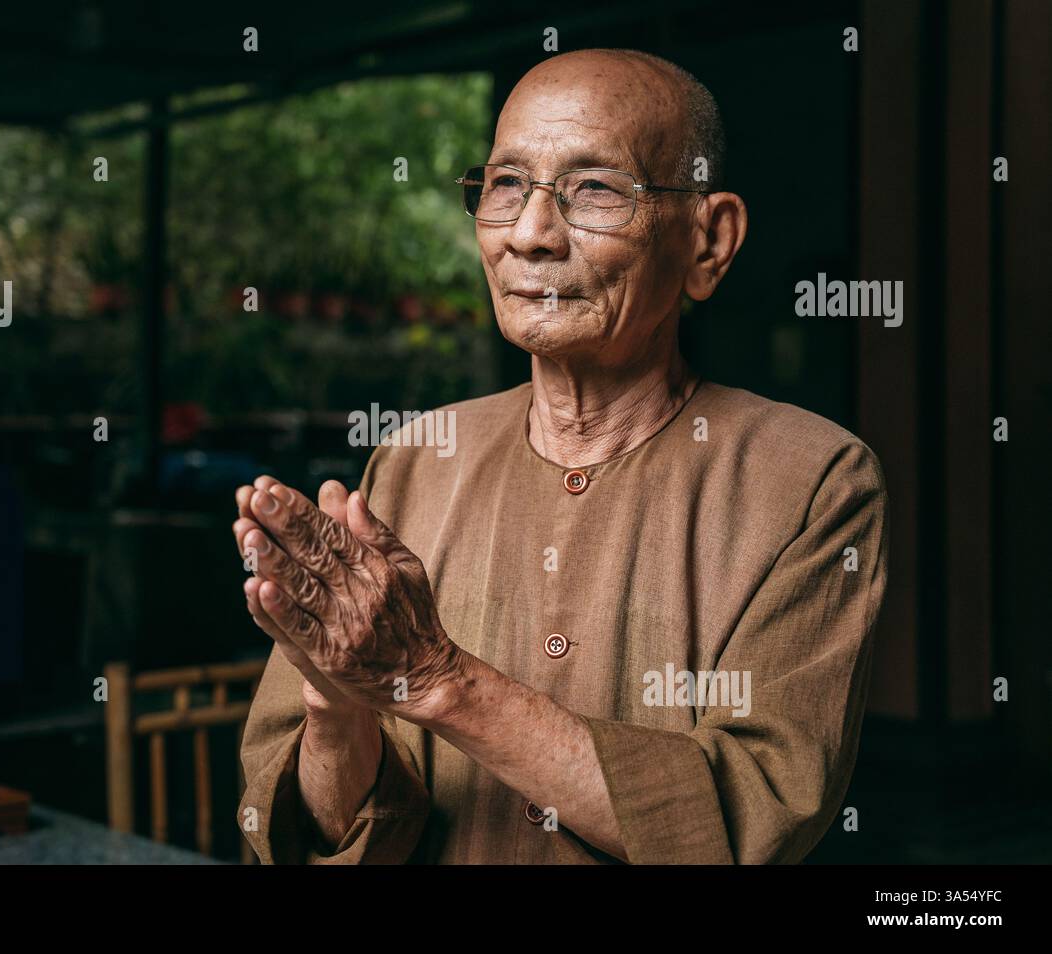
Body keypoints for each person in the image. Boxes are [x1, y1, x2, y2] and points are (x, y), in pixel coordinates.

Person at [232, 48, 888, 863]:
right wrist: (340, 706)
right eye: (507, 186)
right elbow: (307, 833)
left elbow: (750, 814)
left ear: (708, 241)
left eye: (596, 190)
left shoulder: (811, 479)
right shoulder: (412, 460)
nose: (532, 236)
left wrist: (437, 680)